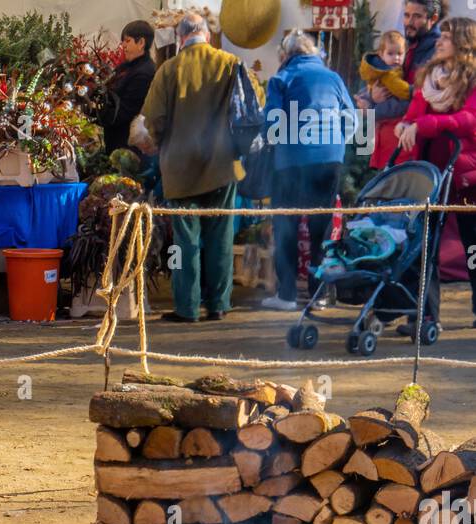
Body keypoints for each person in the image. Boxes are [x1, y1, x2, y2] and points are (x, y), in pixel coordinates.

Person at [141, 11, 242, 323]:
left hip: (180, 167)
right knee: (221, 237)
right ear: (207, 35)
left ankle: (186, 308)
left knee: (185, 242)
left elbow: (153, 118)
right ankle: (219, 304)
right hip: (223, 164)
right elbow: (252, 106)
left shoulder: (168, 70)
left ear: (180, 38)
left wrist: (161, 143)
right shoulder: (230, 64)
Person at [261, 30, 355, 312]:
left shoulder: (282, 78)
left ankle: (287, 295)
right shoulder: (333, 77)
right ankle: (320, 294)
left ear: (286, 55)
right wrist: (334, 144)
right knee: (322, 227)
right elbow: (350, 120)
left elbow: (272, 126)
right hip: (329, 158)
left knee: (286, 224)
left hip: (291, 161)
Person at [395, 17, 476, 327]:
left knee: (473, 246)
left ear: (464, 42)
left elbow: (469, 120)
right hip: (430, 174)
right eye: (440, 35)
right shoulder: (429, 76)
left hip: (466, 174)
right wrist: (406, 123)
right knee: (423, 244)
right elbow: (415, 112)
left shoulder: (472, 78)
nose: (440, 41)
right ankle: (424, 315)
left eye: (447, 36)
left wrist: (425, 125)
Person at [368, 0, 444, 133]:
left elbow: (421, 99)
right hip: (387, 132)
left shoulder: (438, 52)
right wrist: (371, 94)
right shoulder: (406, 45)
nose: (409, 22)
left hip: (412, 136)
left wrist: (374, 108)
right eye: (407, 15)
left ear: (433, 18)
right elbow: (383, 76)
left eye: (417, 16)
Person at [99, 21, 157, 156]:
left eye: (127, 41)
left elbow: (125, 112)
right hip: (115, 140)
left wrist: (97, 115)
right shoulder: (126, 67)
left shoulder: (144, 73)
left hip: (127, 147)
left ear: (141, 43)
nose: (123, 45)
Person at [357, 29, 408, 168]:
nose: (396, 58)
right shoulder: (389, 74)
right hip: (387, 127)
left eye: (399, 54)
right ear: (381, 54)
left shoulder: (382, 70)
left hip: (384, 128)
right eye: (391, 54)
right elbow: (404, 93)